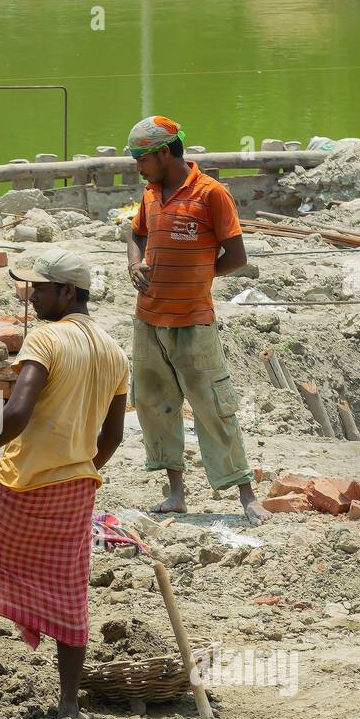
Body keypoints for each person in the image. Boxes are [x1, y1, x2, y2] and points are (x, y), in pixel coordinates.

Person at [0, 248, 128, 719]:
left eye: (39, 287)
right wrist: (80, 463)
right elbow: (114, 435)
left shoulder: (47, 340)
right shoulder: (115, 352)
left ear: (67, 292)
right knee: (68, 594)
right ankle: (67, 705)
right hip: (75, 491)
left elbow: (16, 412)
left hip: (21, 484)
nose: (31, 295)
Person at [125, 115, 271, 525]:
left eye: (141, 158)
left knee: (213, 406)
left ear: (164, 153)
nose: (137, 166)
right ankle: (175, 493)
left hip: (193, 321)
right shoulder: (150, 193)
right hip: (148, 320)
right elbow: (136, 234)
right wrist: (135, 263)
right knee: (156, 404)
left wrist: (201, 273)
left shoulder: (211, 194)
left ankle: (245, 493)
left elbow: (237, 257)